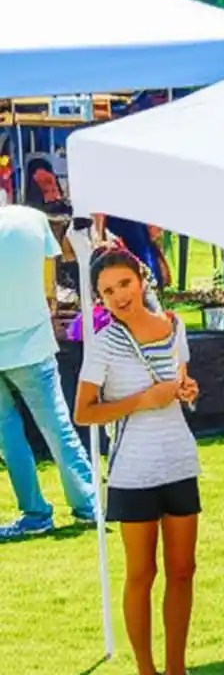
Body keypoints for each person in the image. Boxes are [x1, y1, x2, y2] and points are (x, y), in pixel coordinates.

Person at [74, 249, 200, 675]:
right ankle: (146, 670)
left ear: (140, 280)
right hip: (133, 472)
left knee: (183, 570)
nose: (119, 295)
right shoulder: (104, 344)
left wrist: (186, 390)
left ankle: (176, 667)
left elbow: (180, 381)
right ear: (100, 300)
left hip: (179, 461)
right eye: (108, 291)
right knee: (141, 574)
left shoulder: (175, 327)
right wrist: (141, 401)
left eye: (123, 283)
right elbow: (83, 412)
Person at [0, 205, 98, 539]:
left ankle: (34, 512)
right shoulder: (32, 218)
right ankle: (87, 504)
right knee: (57, 427)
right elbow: (50, 281)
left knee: (8, 435)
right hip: (32, 339)